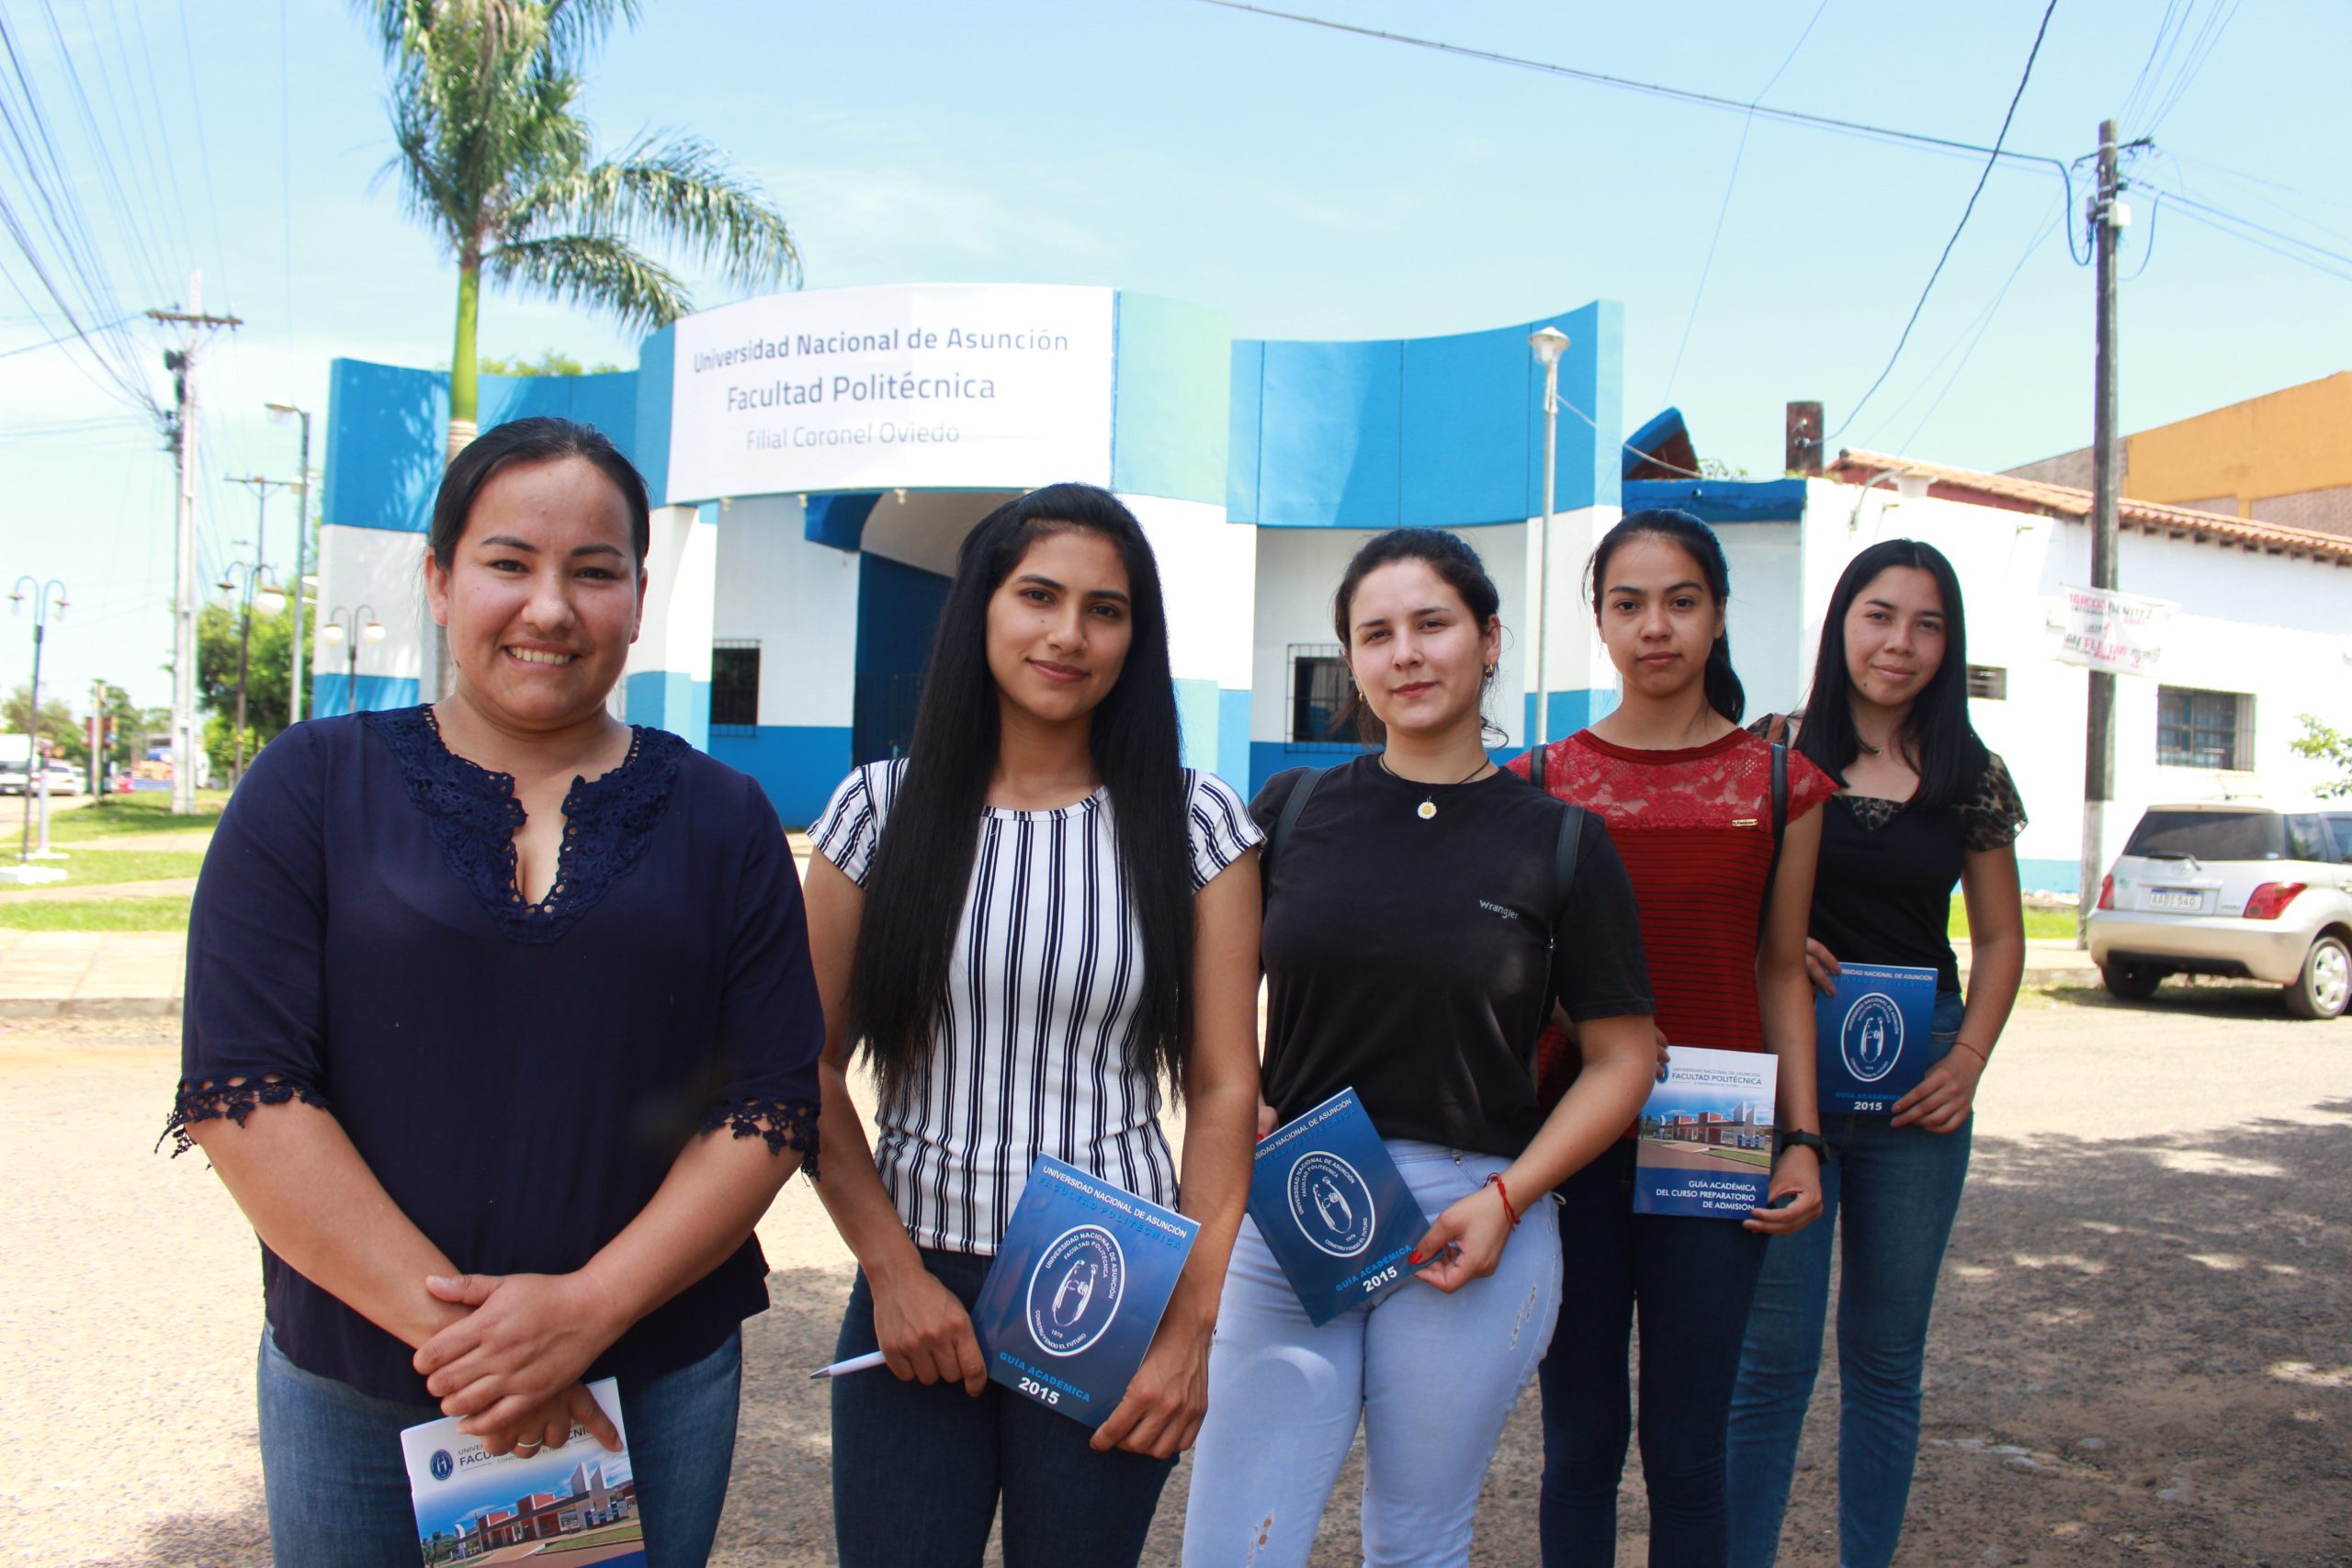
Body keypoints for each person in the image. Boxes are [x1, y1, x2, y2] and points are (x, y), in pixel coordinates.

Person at [164, 416, 822, 1568]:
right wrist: (476, 1346)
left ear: (638, 592)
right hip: (361, 1386)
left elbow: (767, 1101)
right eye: (508, 563)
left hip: (650, 1376)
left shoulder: (726, 819)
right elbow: (244, 1087)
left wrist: (586, 1313)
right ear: (438, 578)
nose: (551, 608)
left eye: (594, 571)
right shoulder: (309, 788)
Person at [801, 484, 1263, 1568]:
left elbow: (1225, 1090)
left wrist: (1189, 1330)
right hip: (915, 1290)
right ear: (981, 612)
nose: (1068, 634)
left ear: (1134, 638)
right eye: (1038, 596)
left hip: (1110, 1281)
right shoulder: (877, 812)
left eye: (1105, 609)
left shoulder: (1197, 823)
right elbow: (804, 1067)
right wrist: (891, 1273)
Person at [1182, 527, 1658, 1568]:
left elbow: (1624, 1058)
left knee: (1417, 1537)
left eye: (1432, 624)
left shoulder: (1561, 840)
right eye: (1375, 633)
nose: (1405, 654)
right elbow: (1205, 1004)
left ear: (1489, 641)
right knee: (1235, 1538)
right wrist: (1236, 1101)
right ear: (1350, 659)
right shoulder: (1291, 812)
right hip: (1296, 1204)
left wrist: (1508, 1197)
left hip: (1472, 1218)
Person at [1513, 509, 1835, 1568]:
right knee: (1580, 1441)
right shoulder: (1540, 783)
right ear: (1597, 622)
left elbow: (1777, 969)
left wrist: (1801, 1140)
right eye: (1628, 603)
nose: (1656, 627)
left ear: (1719, 616)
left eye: (1681, 601)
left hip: (1715, 1126)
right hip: (1574, 1134)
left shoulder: (1779, 784)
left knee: (1689, 1450)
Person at [1724, 538, 2028, 1568]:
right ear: (1839, 621)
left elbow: (1998, 938)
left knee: (1886, 1362)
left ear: (1948, 645)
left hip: (1918, 1095)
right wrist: (1766, 935)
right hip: (1782, 1085)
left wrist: (1970, 1059)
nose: (1899, 643)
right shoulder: (1770, 749)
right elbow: (1711, 907)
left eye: (1927, 623)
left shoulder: (1968, 776)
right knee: (1767, 1363)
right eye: (1878, 614)